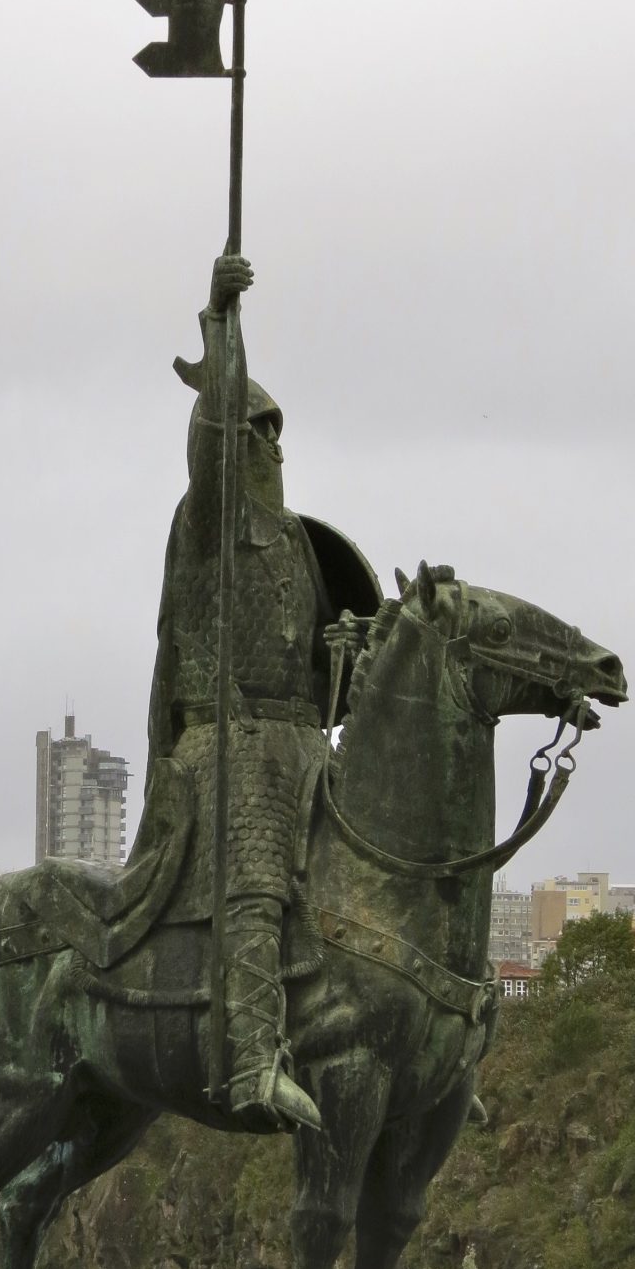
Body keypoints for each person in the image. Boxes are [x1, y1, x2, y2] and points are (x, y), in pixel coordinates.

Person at [146, 250, 379, 1133]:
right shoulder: (205, 527)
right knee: (255, 886)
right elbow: (207, 444)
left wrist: (350, 646)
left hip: (302, 743)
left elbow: (326, 664)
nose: (267, 444)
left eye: (275, 431)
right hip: (225, 745)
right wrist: (221, 325)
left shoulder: (298, 547)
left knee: (371, 872)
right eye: (256, 430)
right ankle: (250, 1062)